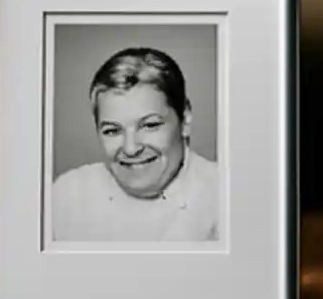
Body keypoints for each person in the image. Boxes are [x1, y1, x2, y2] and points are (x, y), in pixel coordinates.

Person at [52, 47, 218, 242]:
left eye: (149, 125)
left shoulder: (226, 198)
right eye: (112, 131)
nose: (131, 149)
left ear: (185, 119)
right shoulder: (66, 195)